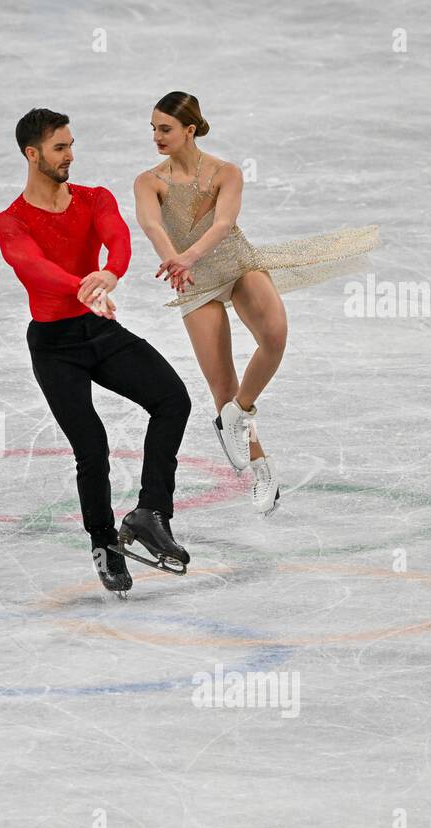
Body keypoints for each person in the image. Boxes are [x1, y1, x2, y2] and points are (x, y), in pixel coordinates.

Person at [133, 91, 381, 514]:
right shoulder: (148, 181)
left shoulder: (225, 172)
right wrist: (173, 257)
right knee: (221, 385)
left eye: (165, 129)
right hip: (194, 282)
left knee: (275, 335)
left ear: (189, 130)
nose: (156, 136)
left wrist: (187, 255)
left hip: (235, 263)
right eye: (153, 128)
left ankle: (239, 414)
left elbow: (225, 221)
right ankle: (262, 471)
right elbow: (151, 223)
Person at [0, 108, 193, 595]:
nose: (70, 155)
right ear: (32, 153)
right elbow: (33, 266)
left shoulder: (94, 198)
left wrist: (111, 273)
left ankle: (151, 511)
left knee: (172, 399)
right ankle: (104, 542)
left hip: (98, 329)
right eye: (60, 148)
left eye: (71, 145)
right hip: (54, 347)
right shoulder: (11, 222)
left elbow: (117, 237)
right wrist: (82, 285)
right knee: (92, 445)